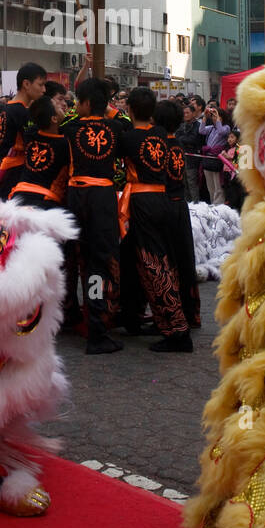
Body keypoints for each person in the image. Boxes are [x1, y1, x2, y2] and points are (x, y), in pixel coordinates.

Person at [118, 86, 191, 353]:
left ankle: (178, 330)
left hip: (142, 203)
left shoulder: (127, 139)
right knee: (159, 263)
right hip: (162, 201)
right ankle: (161, 321)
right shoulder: (161, 134)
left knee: (154, 265)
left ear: (131, 110)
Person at [63, 77, 122, 355]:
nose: (75, 106)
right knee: (99, 264)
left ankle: (78, 316)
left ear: (85, 103)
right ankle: (96, 326)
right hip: (103, 199)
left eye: (78, 101)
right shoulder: (116, 127)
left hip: (76, 197)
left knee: (76, 258)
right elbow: (121, 119)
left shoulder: (70, 127)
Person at [155, 99, 201, 329]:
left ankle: (173, 315)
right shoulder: (176, 144)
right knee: (183, 260)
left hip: (167, 206)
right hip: (179, 206)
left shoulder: (160, 145)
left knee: (169, 262)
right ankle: (189, 311)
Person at [0, 62, 46, 199]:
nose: (44, 90)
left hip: (7, 169)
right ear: (26, 84)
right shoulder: (21, 112)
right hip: (18, 173)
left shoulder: (7, 109)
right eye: (40, 85)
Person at [8, 94, 69, 208]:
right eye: (57, 105)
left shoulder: (30, 135)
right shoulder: (65, 144)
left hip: (18, 196)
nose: (62, 105)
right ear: (54, 118)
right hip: (44, 201)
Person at [199, 104, 231, 205]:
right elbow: (201, 130)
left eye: (216, 116)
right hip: (208, 159)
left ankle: (219, 207)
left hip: (218, 160)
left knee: (218, 187)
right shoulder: (211, 128)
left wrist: (217, 118)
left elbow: (221, 132)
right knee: (210, 186)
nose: (214, 118)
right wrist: (205, 116)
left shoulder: (226, 127)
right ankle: (213, 205)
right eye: (213, 116)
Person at [176, 100, 205, 202]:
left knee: (192, 183)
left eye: (188, 113)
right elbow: (177, 137)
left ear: (193, 113)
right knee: (184, 183)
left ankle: (196, 205)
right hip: (182, 157)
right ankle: (187, 204)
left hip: (193, 159)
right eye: (184, 113)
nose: (185, 115)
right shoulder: (182, 125)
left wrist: (183, 139)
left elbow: (193, 139)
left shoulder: (197, 125)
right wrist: (183, 139)